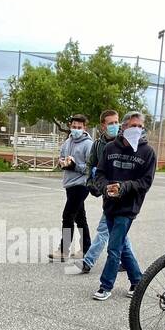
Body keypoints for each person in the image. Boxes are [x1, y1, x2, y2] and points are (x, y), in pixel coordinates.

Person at [91, 111, 154, 301]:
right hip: (109, 204)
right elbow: (100, 173)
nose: (137, 129)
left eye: (140, 126)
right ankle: (138, 281)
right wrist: (105, 188)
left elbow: (146, 182)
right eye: (133, 125)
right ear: (124, 127)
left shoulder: (147, 152)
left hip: (128, 208)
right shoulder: (110, 148)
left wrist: (124, 187)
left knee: (114, 247)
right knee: (122, 245)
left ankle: (105, 285)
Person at [65, 109, 120, 276]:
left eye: (116, 122)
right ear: (103, 125)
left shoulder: (122, 143)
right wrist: (94, 185)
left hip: (115, 192)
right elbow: (92, 166)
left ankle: (85, 259)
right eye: (110, 123)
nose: (114, 126)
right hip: (95, 190)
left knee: (72, 217)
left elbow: (86, 167)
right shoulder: (96, 144)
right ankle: (131, 269)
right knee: (117, 230)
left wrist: (76, 167)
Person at [50, 114, 93, 262]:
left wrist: (75, 166)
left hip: (81, 185)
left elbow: (90, 168)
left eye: (79, 127)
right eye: (74, 127)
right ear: (70, 126)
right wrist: (62, 163)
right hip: (69, 184)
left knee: (67, 216)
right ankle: (87, 248)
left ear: (84, 128)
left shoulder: (88, 144)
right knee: (80, 218)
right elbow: (61, 158)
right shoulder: (67, 142)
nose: (76, 130)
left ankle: (63, 250)